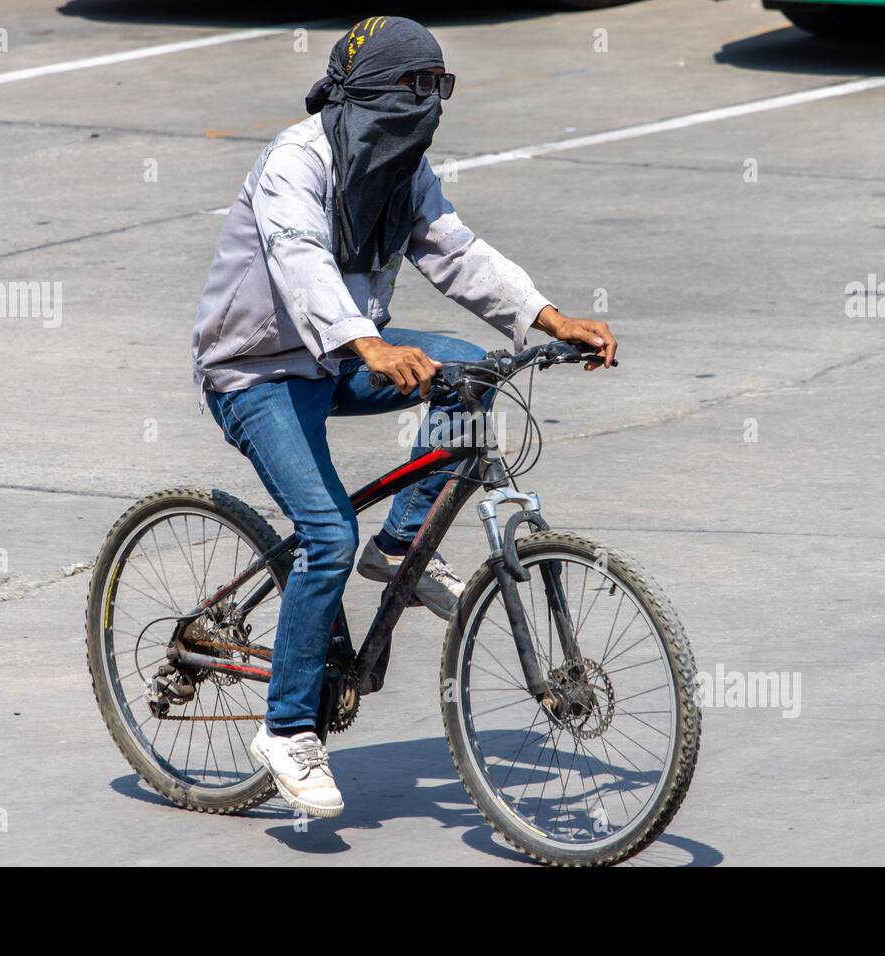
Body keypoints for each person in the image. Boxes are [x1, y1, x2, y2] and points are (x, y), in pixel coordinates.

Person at [190, 16, 616, 818]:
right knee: (323, 537)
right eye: (414, 89)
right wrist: (369, 344)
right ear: (366, 93)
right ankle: (286, 731)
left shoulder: (403, 170)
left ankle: (399, 548)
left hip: (341, 357)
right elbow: (299, 262)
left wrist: (549, 317)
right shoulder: (297, 162)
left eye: (439, 89)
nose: (427, 106)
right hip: (256, 373)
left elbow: (457, 252)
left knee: (468, 374)